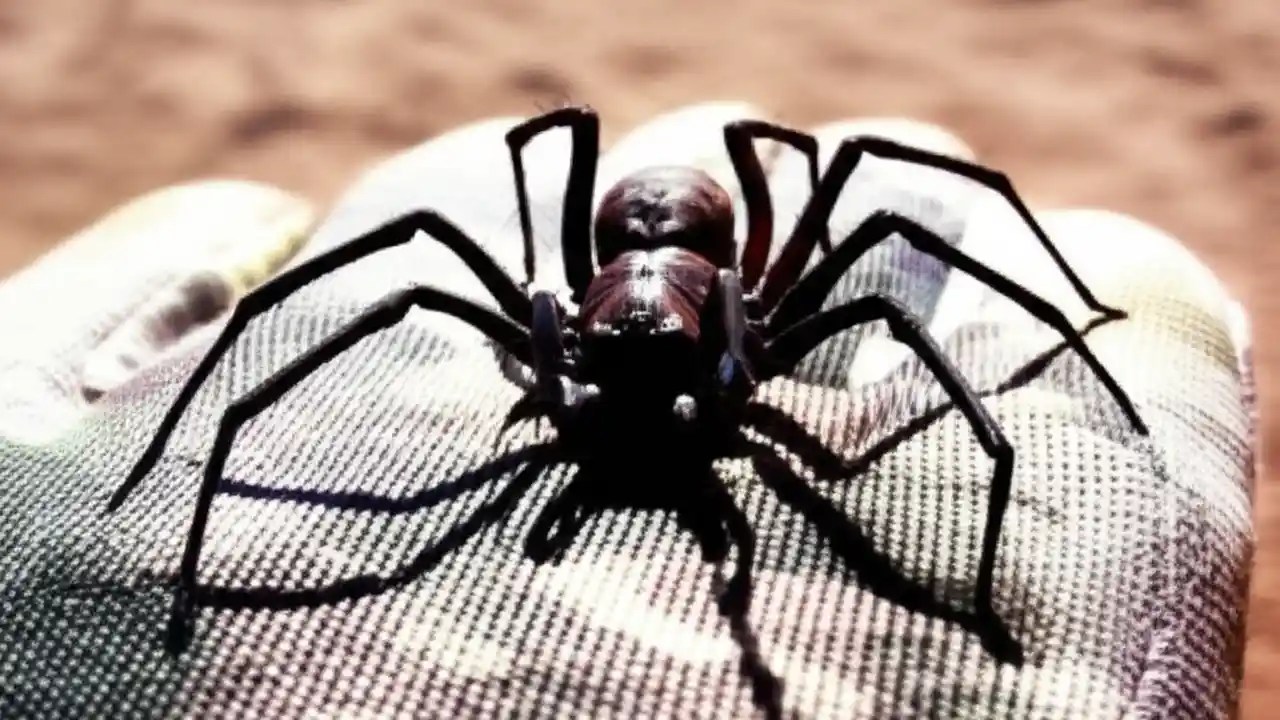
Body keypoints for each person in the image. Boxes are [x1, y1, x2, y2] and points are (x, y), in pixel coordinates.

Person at [0, 102, 1255, 719]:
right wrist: (196, 441)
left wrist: (974, 584)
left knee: (876, 207)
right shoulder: (558, 331)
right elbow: (396, 289)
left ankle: (1076, 328)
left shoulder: (752, 302)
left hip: (689, 261)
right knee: (408, 261)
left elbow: (949, 384)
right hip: (626, 265)